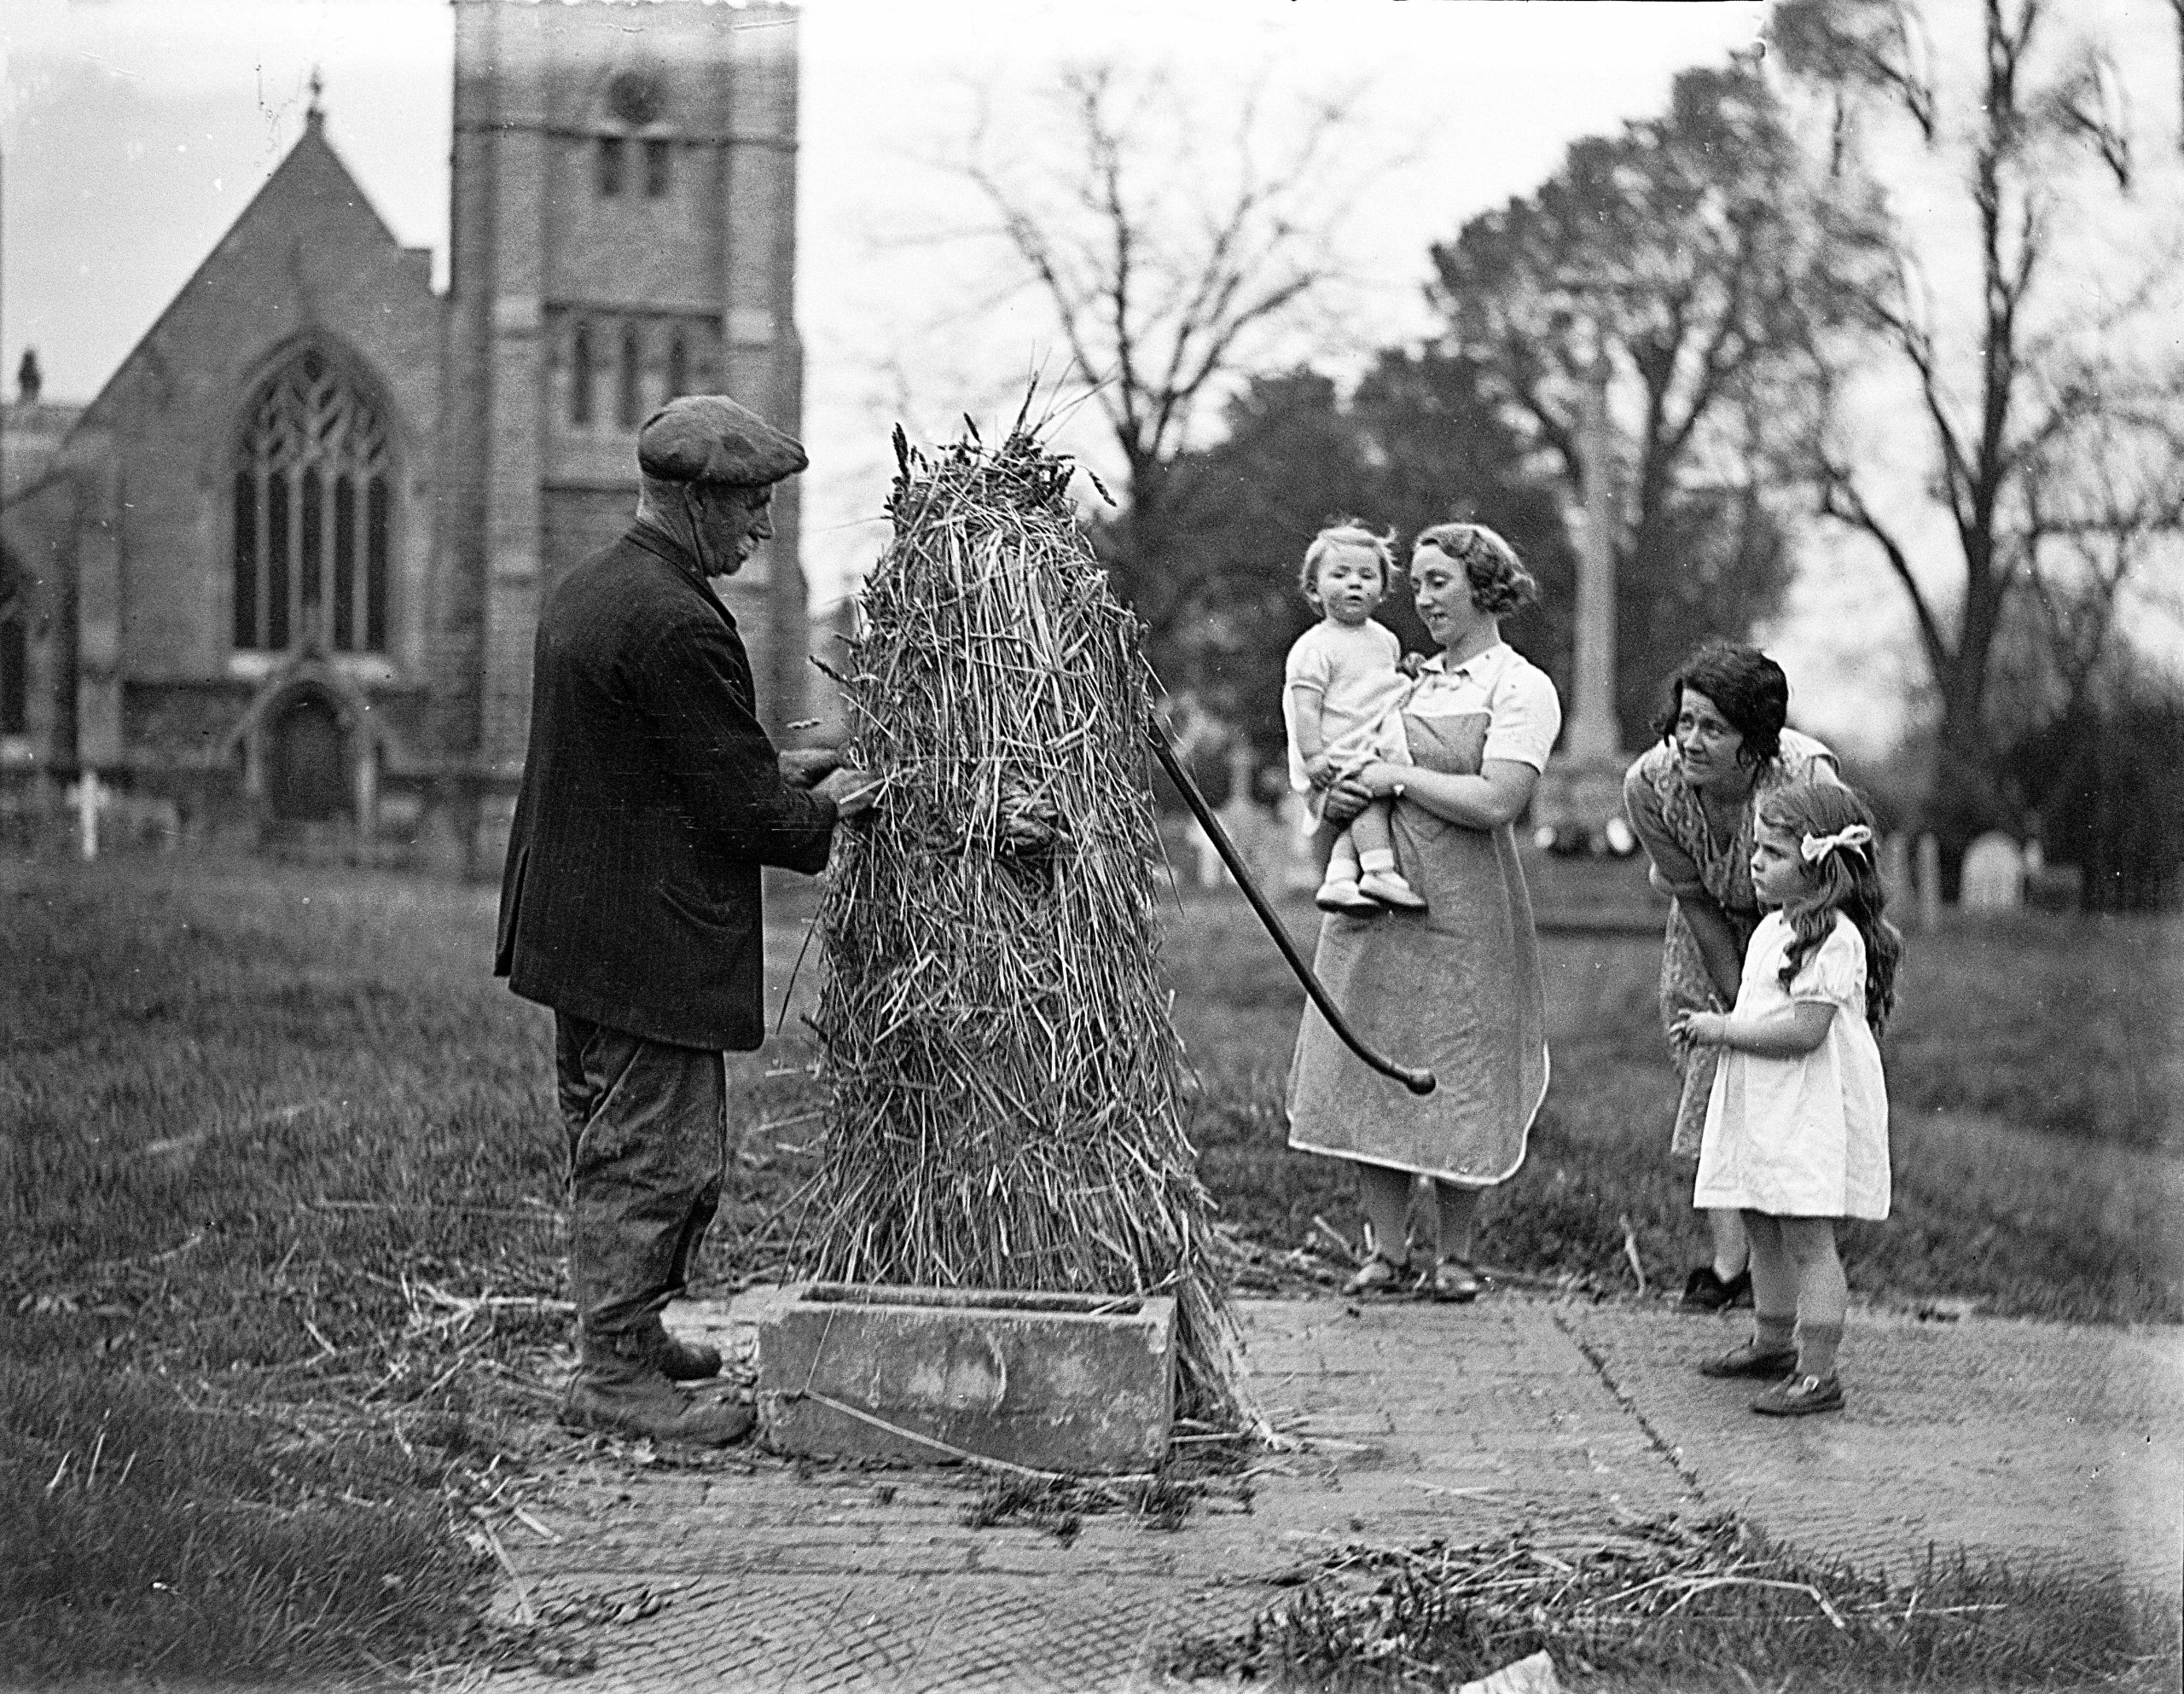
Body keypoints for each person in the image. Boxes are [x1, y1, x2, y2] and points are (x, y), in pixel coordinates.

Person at [496, 393, 874, 1446]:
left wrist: (779, 768)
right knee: (654, 1157)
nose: (763, 529)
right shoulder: (679, 621)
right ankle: (614, 1373)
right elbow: (738, 810)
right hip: (642, 940)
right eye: (751, 505)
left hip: (577, 924)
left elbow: (667, 761)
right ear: (697, 499)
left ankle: (631, 1330)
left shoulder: (598, 587)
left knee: (618, 1137)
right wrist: (833, 804)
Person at [1287, 522, 1560, 1302]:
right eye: (1418, 586)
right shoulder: (1404, 679)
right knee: (1372, 1055)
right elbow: (1340, 755)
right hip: (1379, 900)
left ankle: (1457, 1255)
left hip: (1465, 903)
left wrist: (1394, 777)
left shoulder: (1518, 686)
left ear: (1484, 586)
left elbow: (1498, 799)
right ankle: (1386, 1250)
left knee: (1460, 1066)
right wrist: (1344, 789)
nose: (1425, 599)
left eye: (1440, 583)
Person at [1623, 644, 1841, 1312]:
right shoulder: (1650, 785)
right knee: (1712, 1074)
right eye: (1685, 721)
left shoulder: (1803, 776)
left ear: (1755, 740)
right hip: (1708, 924)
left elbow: (1840, 890)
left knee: (1783, 1079)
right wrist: (1736, 1006)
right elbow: (1693, 898)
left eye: (1713, 728)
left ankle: (1792, 1253)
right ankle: (1731, 1263)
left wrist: (1772, 999)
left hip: (1800, 926)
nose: (1691, 741)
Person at [1672, 780, 1898, 1416]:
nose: (1755, 863)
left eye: (1772, 853)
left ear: (1819, 866)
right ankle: (1772, 1341)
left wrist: (1723, 1029)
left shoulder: (1836, 940)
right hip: (1766, 1103)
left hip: (1805, 1108)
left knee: (1806, 1236)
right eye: (1756, 849)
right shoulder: (1776, 927)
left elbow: (1803, 1033)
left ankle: (1818, 1371)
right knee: (1760, 1220)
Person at [1282, 522, 1424, 914]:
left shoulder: (1385, 639)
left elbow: (1378, 687)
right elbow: (1304, 707)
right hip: (1340, 747)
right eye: (1340, 575)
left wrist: (1406, 671)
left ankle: (1340, 879)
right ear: (1315, 589)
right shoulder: (1314, 647)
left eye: (1367, 575)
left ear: (1382, 588)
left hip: (1371, 739)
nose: (1355, 584)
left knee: (1368, 807)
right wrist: (1314, 757)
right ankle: (1379, 871)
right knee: (1369, 802)